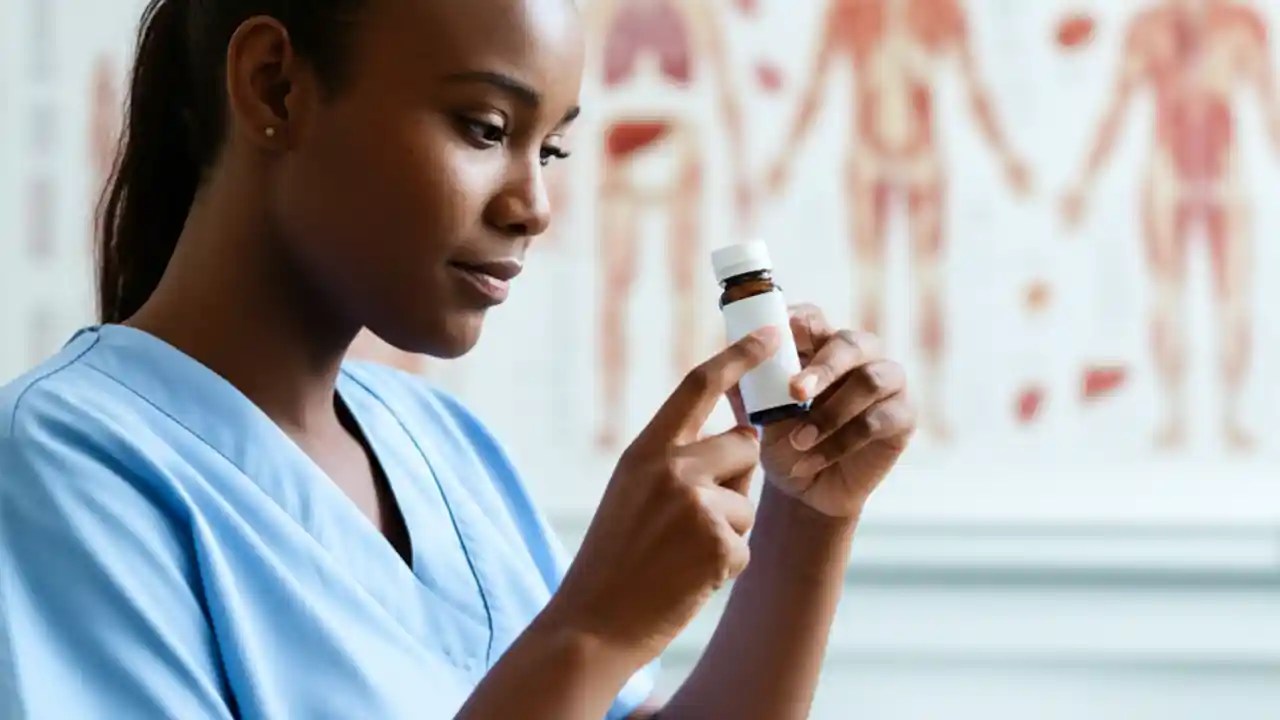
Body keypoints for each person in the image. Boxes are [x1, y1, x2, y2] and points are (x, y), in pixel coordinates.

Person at [0, 1, 915, 718]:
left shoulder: (446, 448)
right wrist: (589, 631)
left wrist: (806, 517)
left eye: (549, 149)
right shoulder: (60, 469)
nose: (536, 204)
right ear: (275, 84)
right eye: (484, 127)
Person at [766, 0, 1031, 441]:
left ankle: (933, 401)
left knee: (928, 282)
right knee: (871, 286)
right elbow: (816, 86)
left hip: (920, 157)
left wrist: (1007, 159)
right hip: (869, 156)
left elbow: (973, 86)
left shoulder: (943, 12)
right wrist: (785, 159)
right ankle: (869, 408)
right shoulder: (849, 12)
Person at [1062, 0, 1280, 451]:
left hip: (1224, 171)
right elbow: (1117, 108)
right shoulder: (1147, 27)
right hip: (1167, 173)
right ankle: (1175, 414)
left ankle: (1231, 415)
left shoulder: (1243, 24)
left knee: (1233, 300)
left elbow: (1269, 108)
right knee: (1168, 299)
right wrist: (1084, 180)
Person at [586, 0, 750, 448]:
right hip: (620, 142)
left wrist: (741, 173)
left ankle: (688, 420)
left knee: (683, 287)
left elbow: (725, 81)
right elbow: (570, 78)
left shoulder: (696, 10)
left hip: (677, 141)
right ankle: (610, 414)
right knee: (617, 288)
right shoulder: (599, 10)